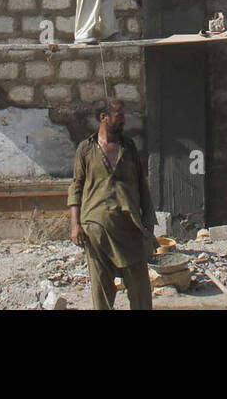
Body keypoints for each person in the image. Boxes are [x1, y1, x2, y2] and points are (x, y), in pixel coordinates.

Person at [68, 97, 157, 309]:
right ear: (103, 117)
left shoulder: (129, 147)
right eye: (119, 116)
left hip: (130, 227)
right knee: (101, 292)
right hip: (96, 229)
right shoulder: (85, 149)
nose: (124, 120)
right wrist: (75, 224)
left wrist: (149, 220)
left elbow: (142, 185)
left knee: (140, 291)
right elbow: (76, 187)